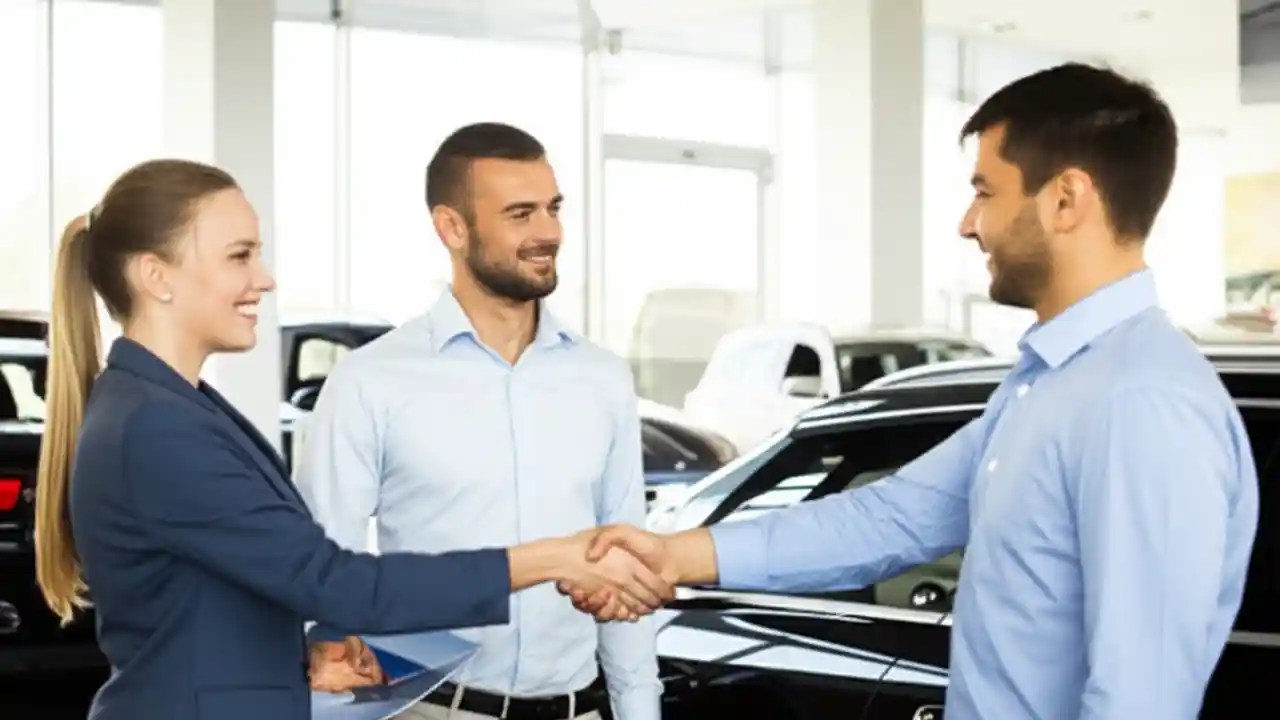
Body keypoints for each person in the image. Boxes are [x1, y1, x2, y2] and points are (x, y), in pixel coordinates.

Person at [565, 63, 1260, 719]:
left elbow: (1138, 701)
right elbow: (891, 518)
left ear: (1066, 199)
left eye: (985, 190)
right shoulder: (1053, 384)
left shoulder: (1140, 403)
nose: (967, 222)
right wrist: (674, 555)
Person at [32, 158, 672, 720]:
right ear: (157, 276)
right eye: (240, 256)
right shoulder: (156, 428)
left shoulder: (175, 407)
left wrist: (309, 657)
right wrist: (557, 557)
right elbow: (335, 582)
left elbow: (222, 605)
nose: (265, 279)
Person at [294, 122, 661, 720]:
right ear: (452, 227)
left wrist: (639, 712)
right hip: (430, 708)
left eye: (553, 208)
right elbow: (319, 569)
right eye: (521, 214)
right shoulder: (372, 381)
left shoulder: (603, 380)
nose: (548, 233)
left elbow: (625, 566)